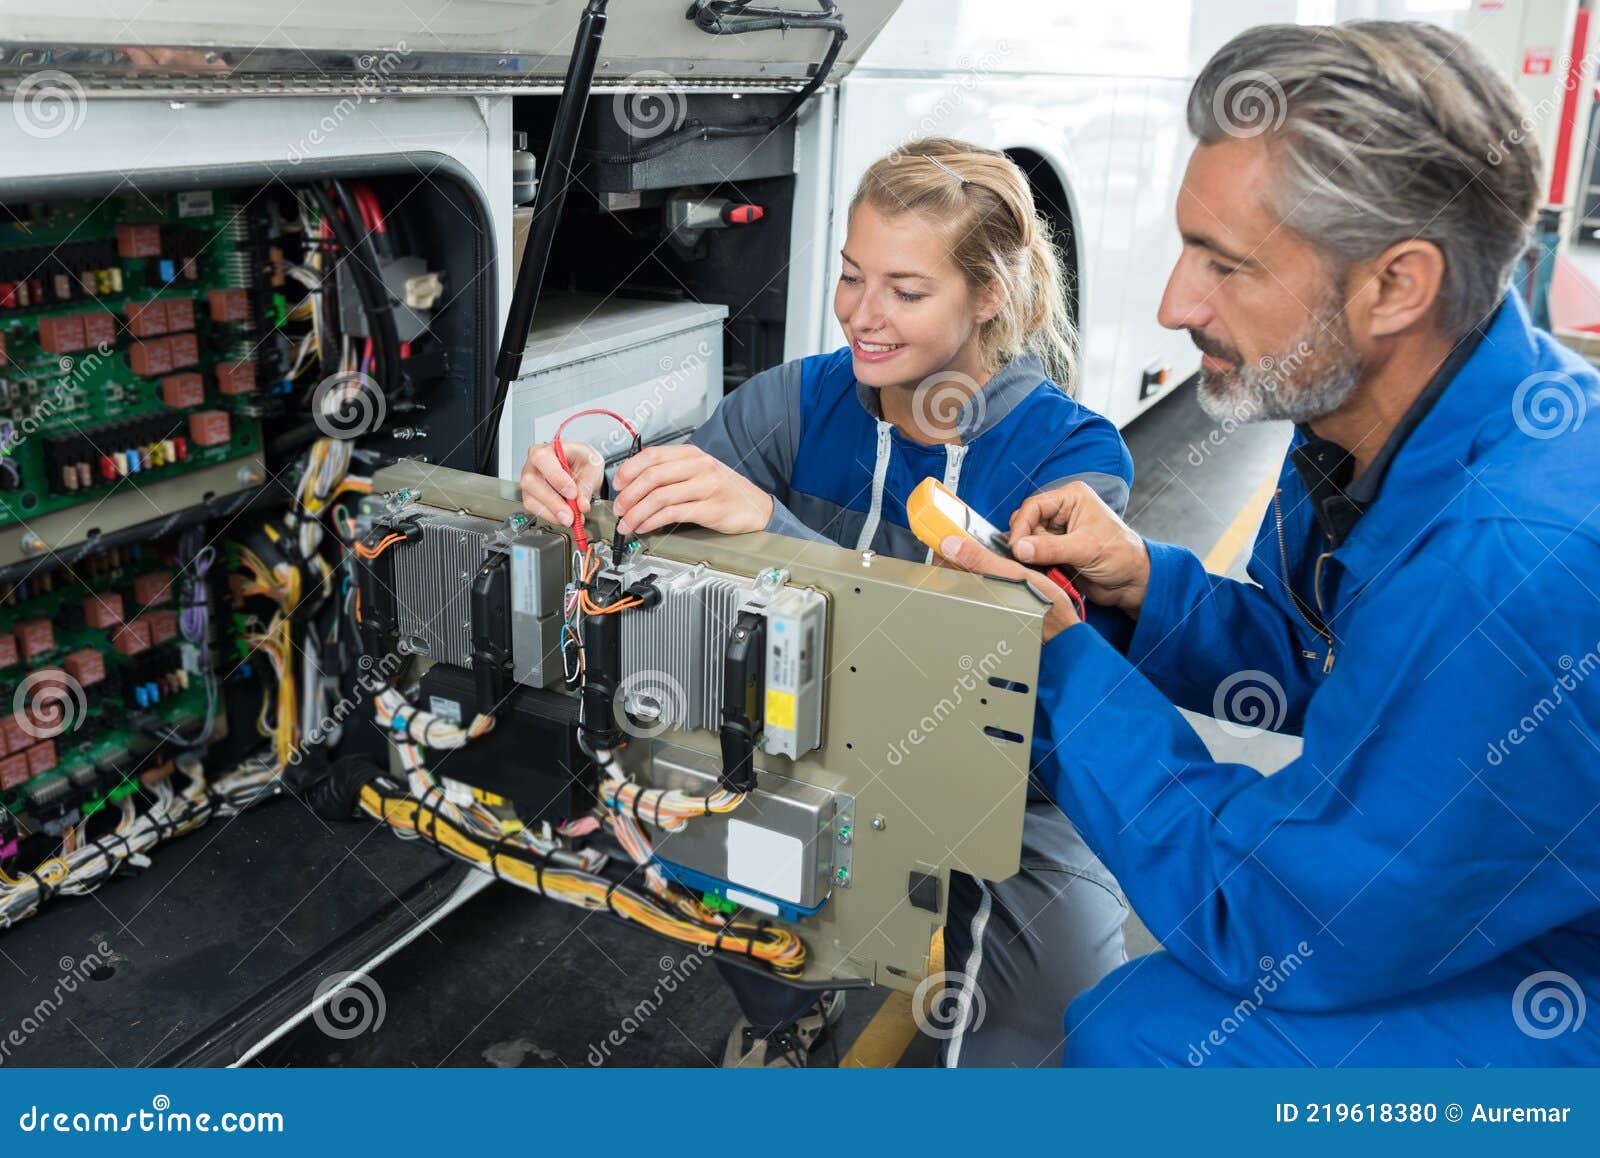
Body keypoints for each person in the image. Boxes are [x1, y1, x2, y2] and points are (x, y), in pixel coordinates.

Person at [939, 22, 1600, 1066]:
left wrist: (1056, 666)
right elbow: (1349, 665)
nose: (1172, 304)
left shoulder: (1507, 562)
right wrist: (1141, 588)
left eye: (1226, 266)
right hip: (1532, 877)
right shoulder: (1392, 417)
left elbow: (1282, 919)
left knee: (1145, 1048)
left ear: (1396, 286)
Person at [521, 138, 1133, 1066]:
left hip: (1015, 779)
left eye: (906, 290)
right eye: (851, 277)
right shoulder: (798, 401)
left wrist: (768, 521)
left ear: (991, 295)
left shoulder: (1074, 459)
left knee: (1060, 1025)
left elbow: (1013, 681)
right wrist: (596, 500)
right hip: (806, 737)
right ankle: (785, 1013)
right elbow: (666, 530)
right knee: (667, 827)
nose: (862, 316)